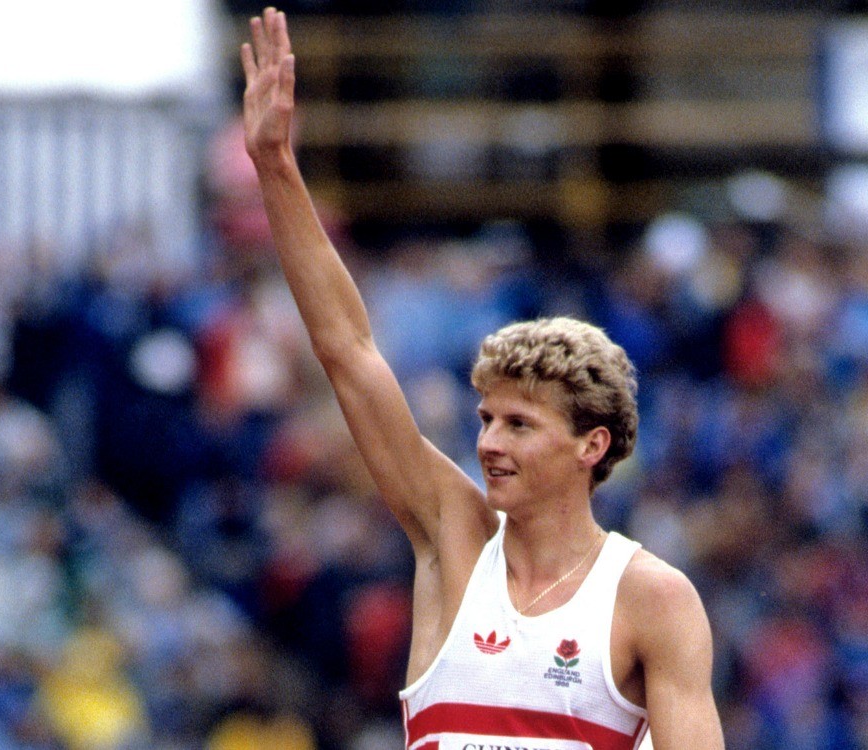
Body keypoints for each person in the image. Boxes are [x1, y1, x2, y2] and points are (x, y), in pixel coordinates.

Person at [239, 9, 723, 749]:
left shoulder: (650, 597)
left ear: (591, 445)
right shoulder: (452, 535)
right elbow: (349, 351)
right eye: (487, 419)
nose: (490, 443)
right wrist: (275, 166)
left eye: (519, 424)